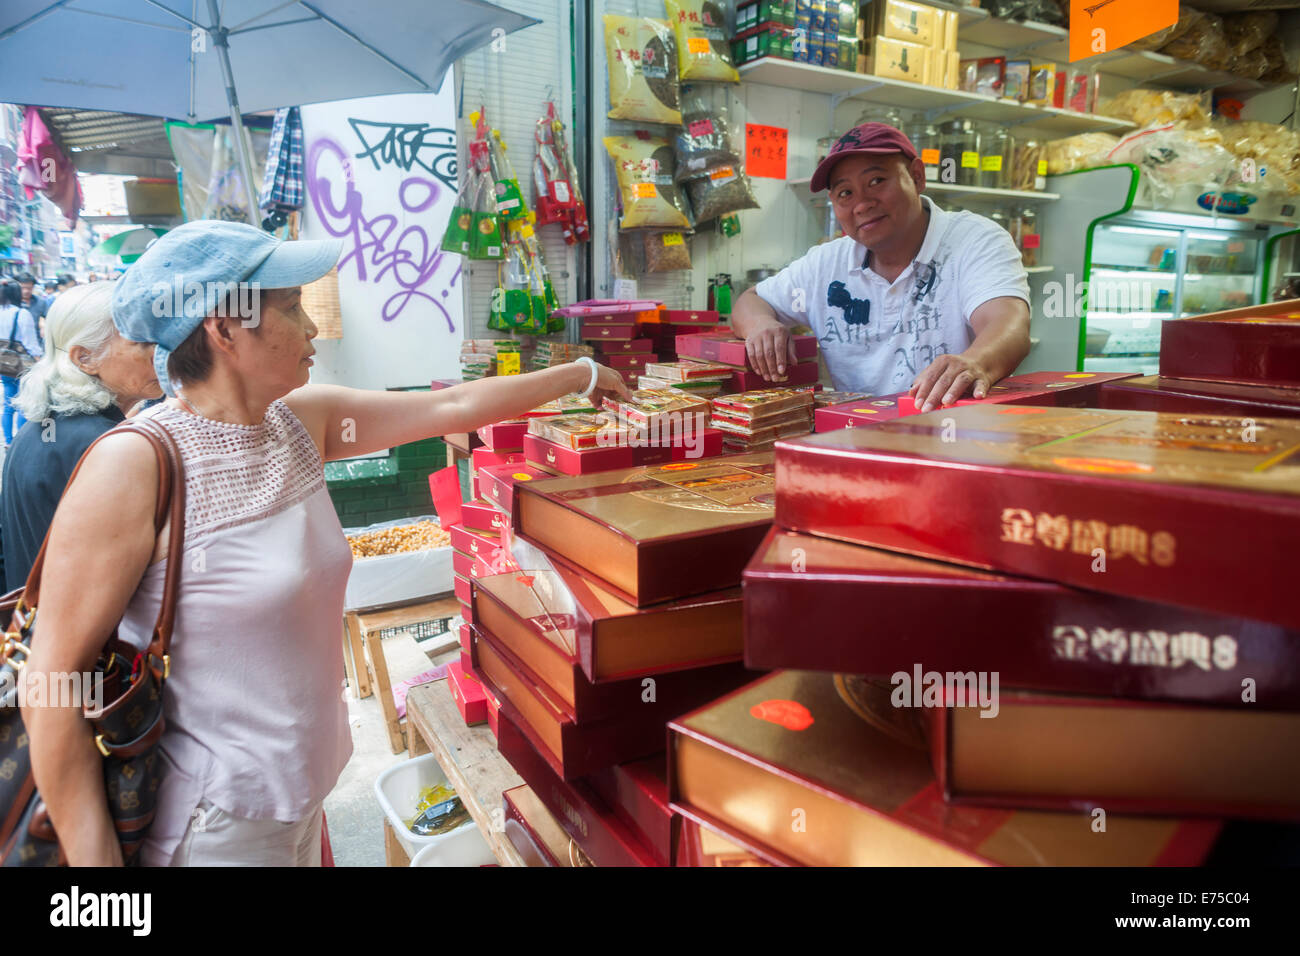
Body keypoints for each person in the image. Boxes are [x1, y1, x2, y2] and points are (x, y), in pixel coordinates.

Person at [22, 219, 631, 867]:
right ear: (224, 330)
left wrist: (582, 375)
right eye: (290, 309)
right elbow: (51, 682)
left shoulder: (298, 422)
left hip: (301, 806)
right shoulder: (136, 465)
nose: (312, 328)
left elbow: (453, 408)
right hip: (214, 826)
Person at [731, 122, 1032, 413]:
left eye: (876, 181)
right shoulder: (826, 263)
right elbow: (751, 300)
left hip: (956, 440)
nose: (862, 204)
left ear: (916, 177)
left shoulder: (974, 239)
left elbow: (1009, 324)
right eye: (845, 193)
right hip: (858, 441)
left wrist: (976, 361)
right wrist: (761, 325)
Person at [2, 281, 162, 591]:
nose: (161, 352)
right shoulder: (107, 446)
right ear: (84, 358)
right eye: (143, 342)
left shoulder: (41, 427)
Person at [0, 279, 43, 445]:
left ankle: (8, 441)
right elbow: (31, 344)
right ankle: (20, 443)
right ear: (16, 294)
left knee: (8, 405)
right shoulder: (21, 314)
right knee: (24, 404)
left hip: (3, 362)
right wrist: (40, 362)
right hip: (20, 364)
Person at [16, 271, 48, 348]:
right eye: (22, 288)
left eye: (29, 288)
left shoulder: (41, 302)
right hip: (17, 343)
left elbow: (48, 318)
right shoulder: (12, 304)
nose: (26, 291)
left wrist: (44, 326)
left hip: (37, 342)